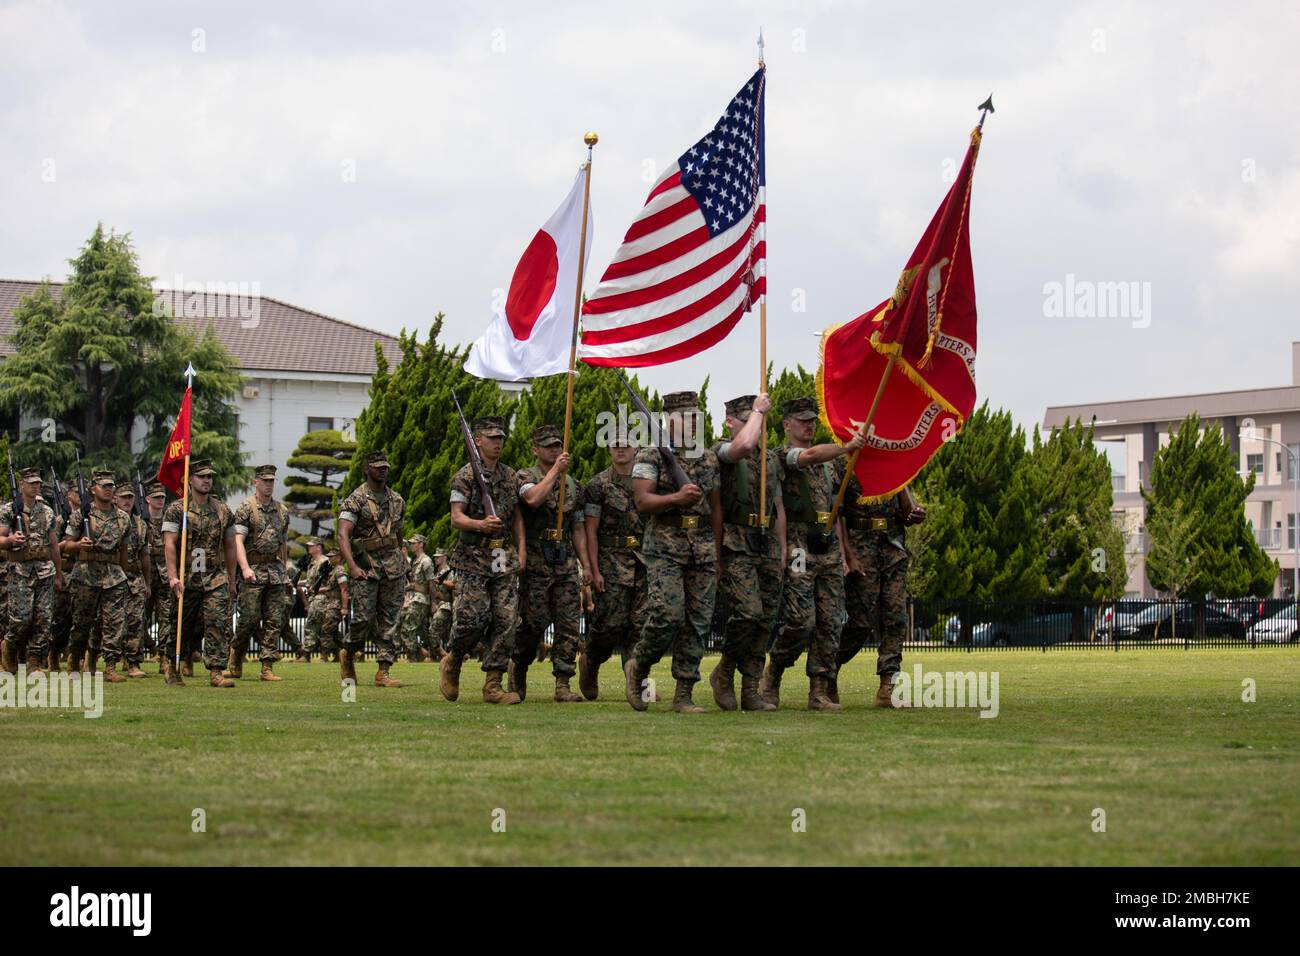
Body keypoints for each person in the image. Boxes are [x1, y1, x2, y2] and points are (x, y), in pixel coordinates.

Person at [761, 397, 866, 711]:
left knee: (830, 621)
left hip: (828, 546)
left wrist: (845, 552)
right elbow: (808, 455)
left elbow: (836, 511)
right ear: (787, 424)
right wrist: (847, 445)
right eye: (802, 420)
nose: (809, 425)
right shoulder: (784, 455)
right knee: (799, 620)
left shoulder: (832, 465)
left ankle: (819, 690)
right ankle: (774, 672)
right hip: (798, 546)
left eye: (812, 420)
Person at [624, 391, 721, 714]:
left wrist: (717, 552)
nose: (692, 422)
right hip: (666, 547)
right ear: (669, 420)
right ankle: (639, 664)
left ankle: (684, 693)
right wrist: (676, 499)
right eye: (685, 417)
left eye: (696, 416)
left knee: (698, 621)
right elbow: (642, 501)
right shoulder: (650, 456)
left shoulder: (708, 458)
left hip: (703, 548)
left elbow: (716, 508)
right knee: (668, 615)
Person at [439, 416, 525, 705]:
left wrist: (521, 549)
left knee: (507, 618)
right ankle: (453, 659)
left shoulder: (510, 476)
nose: (497, 442)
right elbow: (456, 517)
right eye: (491, 437)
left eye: (500, 437)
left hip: (503, 556)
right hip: (473, 557)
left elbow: (516, 518)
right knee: (472, 618)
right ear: (477, 440)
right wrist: (479, 525)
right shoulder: (465, 476)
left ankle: (493, 684)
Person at [709, 393, 781, 712]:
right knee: (748, 613)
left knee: (764, 621)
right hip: (735, 543)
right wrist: (758, 411)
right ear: (730, 421)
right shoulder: (722, 451)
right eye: (749, 417)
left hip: (766, 543)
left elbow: (778, 507)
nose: (758, 424)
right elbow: (744, 446)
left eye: (762, 420)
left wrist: (783, 551)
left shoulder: (771, 459)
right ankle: (724, 670)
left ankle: (751, 690)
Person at [511, 424, 590, 703]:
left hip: (564, 558)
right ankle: (519, 666)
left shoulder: (574, 485)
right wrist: (556, 471)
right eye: (548, 446)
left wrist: (587, 565)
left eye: (557, 445)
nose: (554, 449)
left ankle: (563, 683)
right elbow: (532, 499)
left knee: (568, 622)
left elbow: (578, 527)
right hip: (535, 558)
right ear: (536, 450)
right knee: (533, 622)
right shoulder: (525, 476)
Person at [838, 481, 926, 707]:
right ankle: (828, 671)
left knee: (896, 618)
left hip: (892, 547)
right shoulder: (849, 464)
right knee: (861, 622)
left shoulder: (896, 470)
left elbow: (906, 512)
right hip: (861, 546)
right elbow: (838, 515)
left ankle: (888, 688)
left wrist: (913, 514)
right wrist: (847, 555)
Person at [578, 432, 646, 700]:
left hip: (643, 559)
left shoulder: (647, 480)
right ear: (608, 449)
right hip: (611, 560)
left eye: (626, 445)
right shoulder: (598, 485)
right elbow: (591, 531)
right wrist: (594, 569)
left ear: (636, 448)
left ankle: (638, 683)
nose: (621, 450)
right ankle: (591, 661)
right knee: (609, 624)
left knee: (641, 625)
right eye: (615, 445)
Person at [161, 459, 236, 687]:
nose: (206, 481)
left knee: (217, 621)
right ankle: (172, 667)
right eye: (202, 476)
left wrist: (232, 580)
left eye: (209, 477)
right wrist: (173, 576)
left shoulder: (222, 510)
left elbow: (230, 545)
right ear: (190, 479)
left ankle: (216, 671)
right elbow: (169, 544)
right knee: (181, 623)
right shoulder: (177, 509)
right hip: (187, 574)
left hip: (214, 575)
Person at [338, 451, 406, 687]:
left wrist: (403, 559)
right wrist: (353, 566)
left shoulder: (397, 500)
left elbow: (399, 533)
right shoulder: (355, 500)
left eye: (385, 466)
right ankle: (348, 652)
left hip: (393, 567)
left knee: (390, 620)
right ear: (366, 468)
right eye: (377, 467)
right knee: (364, 619)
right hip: (367, 567)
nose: (382, 470)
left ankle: (383, 671)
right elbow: (343, 535)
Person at [63, 471, 132, 683]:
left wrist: (125, 575)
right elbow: (67, 544)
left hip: (113, 576)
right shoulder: (81, 515)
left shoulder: (123, 517)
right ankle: (75, 661)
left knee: (114, 623)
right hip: (86, 574)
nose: (109, 489)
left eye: (112, 485)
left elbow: (123, 551)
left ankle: (110, 666)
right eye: (104, 485)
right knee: (82, 623)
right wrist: (78, 545)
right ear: (93, 489)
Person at [228, 464, 291, 682]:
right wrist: (244, 568)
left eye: (272, 481)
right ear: (255, 482)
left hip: (275, 572)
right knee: (249, 619)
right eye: (265, 481)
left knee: (275, 620)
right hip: (253, 571)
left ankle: (267, 666)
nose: (269, 485)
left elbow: (283, 543)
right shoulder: (246, 508)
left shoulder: (282, 511)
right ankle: (236, 655)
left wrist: (285, 569)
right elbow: (238, 541)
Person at [0, 467, 65, 675]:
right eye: (31, 483)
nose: (35, 486)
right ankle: (8, 648)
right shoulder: (9, 510)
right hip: (20, 571)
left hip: (44, 570)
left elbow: (54, 545)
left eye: (37, 482)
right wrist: (10, 540)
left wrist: (58, 572)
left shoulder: (46, 511)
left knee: (43, 619)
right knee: (21, 618)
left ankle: (34, 663)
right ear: (22, 485)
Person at [112, 478, 151, 678]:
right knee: (111, 620)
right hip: (112, 575)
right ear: (115, 499)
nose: (127, 501)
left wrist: (147, 581)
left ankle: (133, 662)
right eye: (123, 498)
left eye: (130, 497)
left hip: (135, 577)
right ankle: (97, 659)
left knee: (136, 620)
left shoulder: (141, 525)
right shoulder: (112, 519)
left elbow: (145, 555)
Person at [398, 534, 435, 663]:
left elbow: (431, 583)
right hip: (415, 597)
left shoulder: (426, 561)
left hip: (421, 599)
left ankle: (413, 656)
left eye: (414, 543)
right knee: (419, 629)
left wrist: (434, 603)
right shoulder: (415, 561)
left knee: (407, 627)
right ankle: (422, 652)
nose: (411, 546)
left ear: (420, 544)